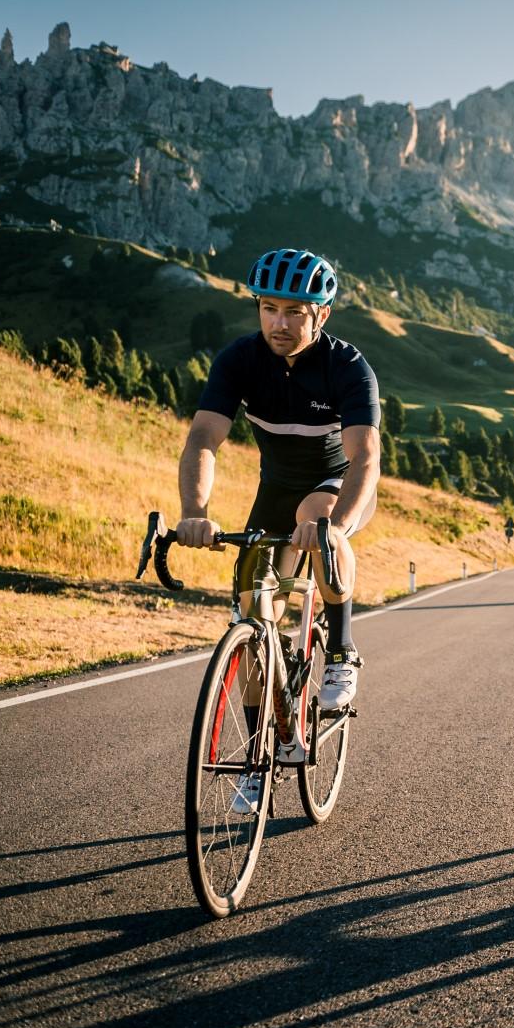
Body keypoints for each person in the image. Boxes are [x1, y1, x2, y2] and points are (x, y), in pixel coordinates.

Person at [174, 248, 380, 810]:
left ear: (322, 315)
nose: (280, 323)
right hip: (275, 490)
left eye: (295, 311)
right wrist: (195, 511)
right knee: (249, 618)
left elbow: (364, 459)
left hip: (336, 485)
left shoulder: (348, 367)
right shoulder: (240, 359)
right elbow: (203, 441)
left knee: (314, 521)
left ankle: (341, 651)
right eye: (269, 309)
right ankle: (266, 748)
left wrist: (336, 526)